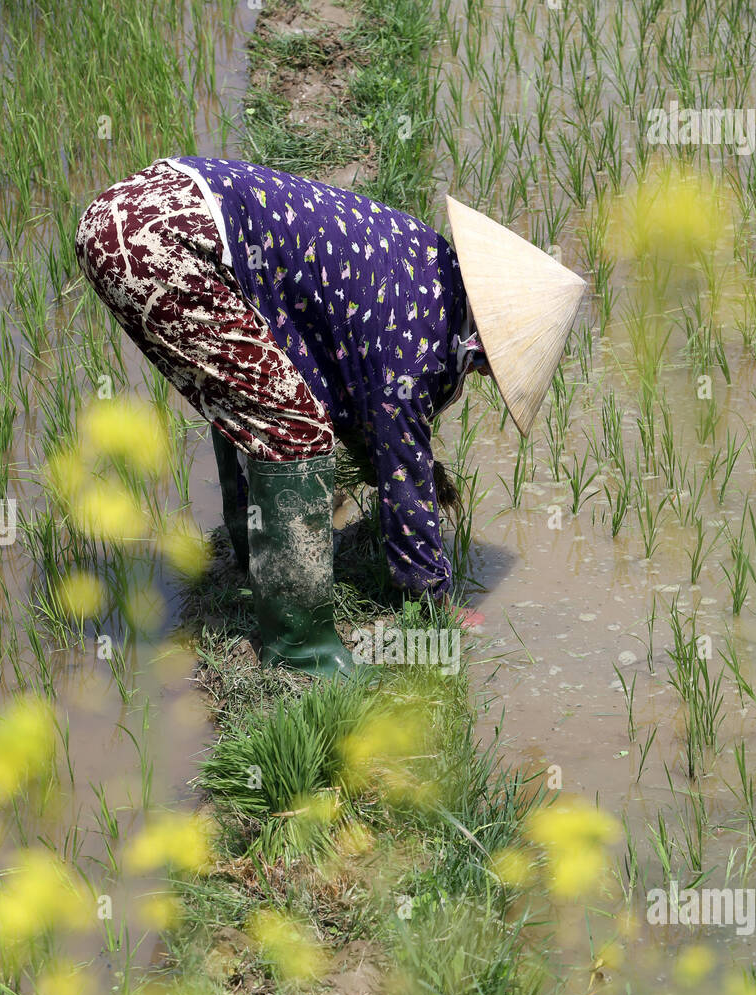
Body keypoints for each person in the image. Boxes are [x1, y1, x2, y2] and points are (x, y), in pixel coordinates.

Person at [75, 159, 584, 676]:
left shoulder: (423, 256)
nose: (480, 376)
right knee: (294, 425)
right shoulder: (422, 343)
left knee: (257, 383)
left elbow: (349, 375)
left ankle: (254, 549)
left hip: (144, 204)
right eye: (489, 366)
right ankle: (301, 651)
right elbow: (398, 456)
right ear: (479, 340)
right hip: (159, 244)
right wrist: (432, 594)